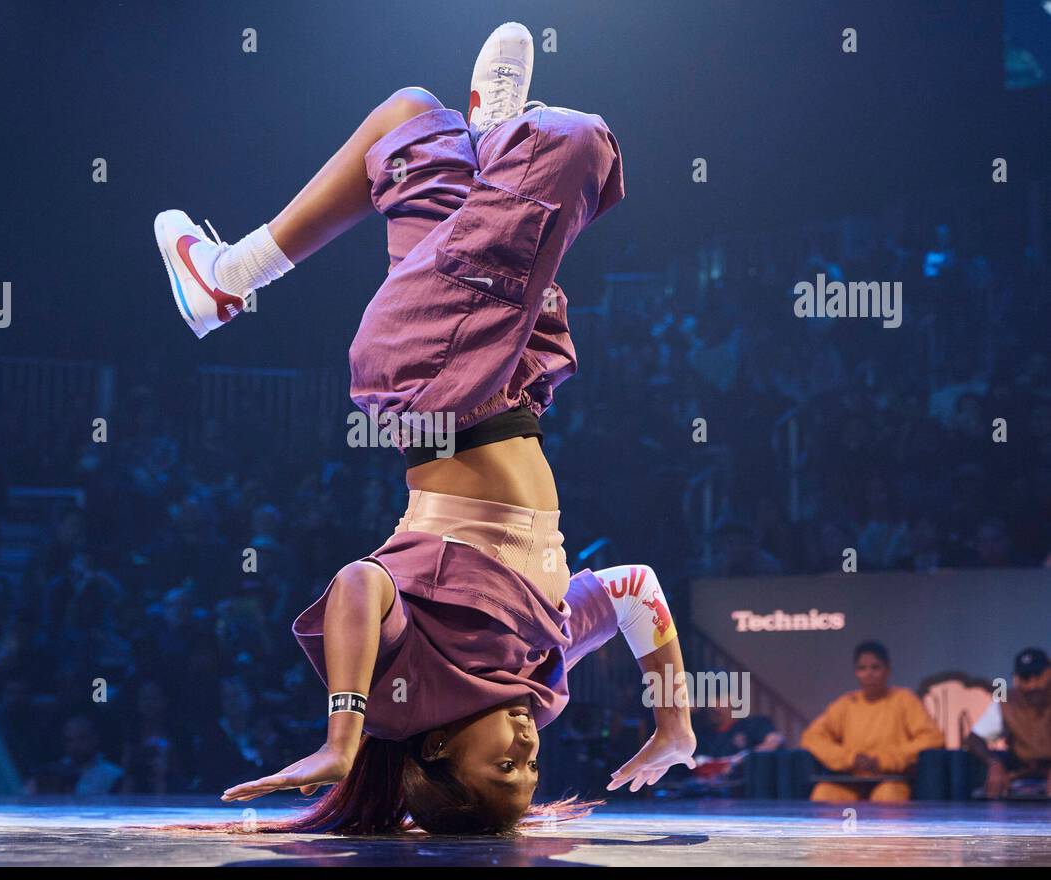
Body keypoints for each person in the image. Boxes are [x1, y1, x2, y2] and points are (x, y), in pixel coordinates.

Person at [155, 23, 695, 834]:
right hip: (508, 372)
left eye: (503, 763)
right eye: (531, 763)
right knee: (409, 120)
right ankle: (225, 280)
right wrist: (674, 723)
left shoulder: (421, 682)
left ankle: (499, 138)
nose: (525, 740)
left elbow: (359, 587)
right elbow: (634, 592)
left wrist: (345, 733)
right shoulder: (539, 672)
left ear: (436, 746)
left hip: (432, 381)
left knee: (575, 144)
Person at [801, 641, 944, 803]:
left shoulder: (904, 699)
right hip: (850, 780)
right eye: (862, 669)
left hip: (891, 779)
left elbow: (932, 738)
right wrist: (850, 759)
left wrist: (884, 760)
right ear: (856, 672)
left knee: (888, 795)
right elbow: (812, 737)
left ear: (887, 670)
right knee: (824, 793)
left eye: (875, 668)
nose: (869, 674)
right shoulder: (847, 703)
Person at [966, 647, 1051, 798]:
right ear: (1016, 679)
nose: (1032, 685)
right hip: (1023, 775)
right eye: (1025, 678)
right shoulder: (1007, 702)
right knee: (989, 796)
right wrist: (994, 763)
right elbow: (974, 738)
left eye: (1037, 676)